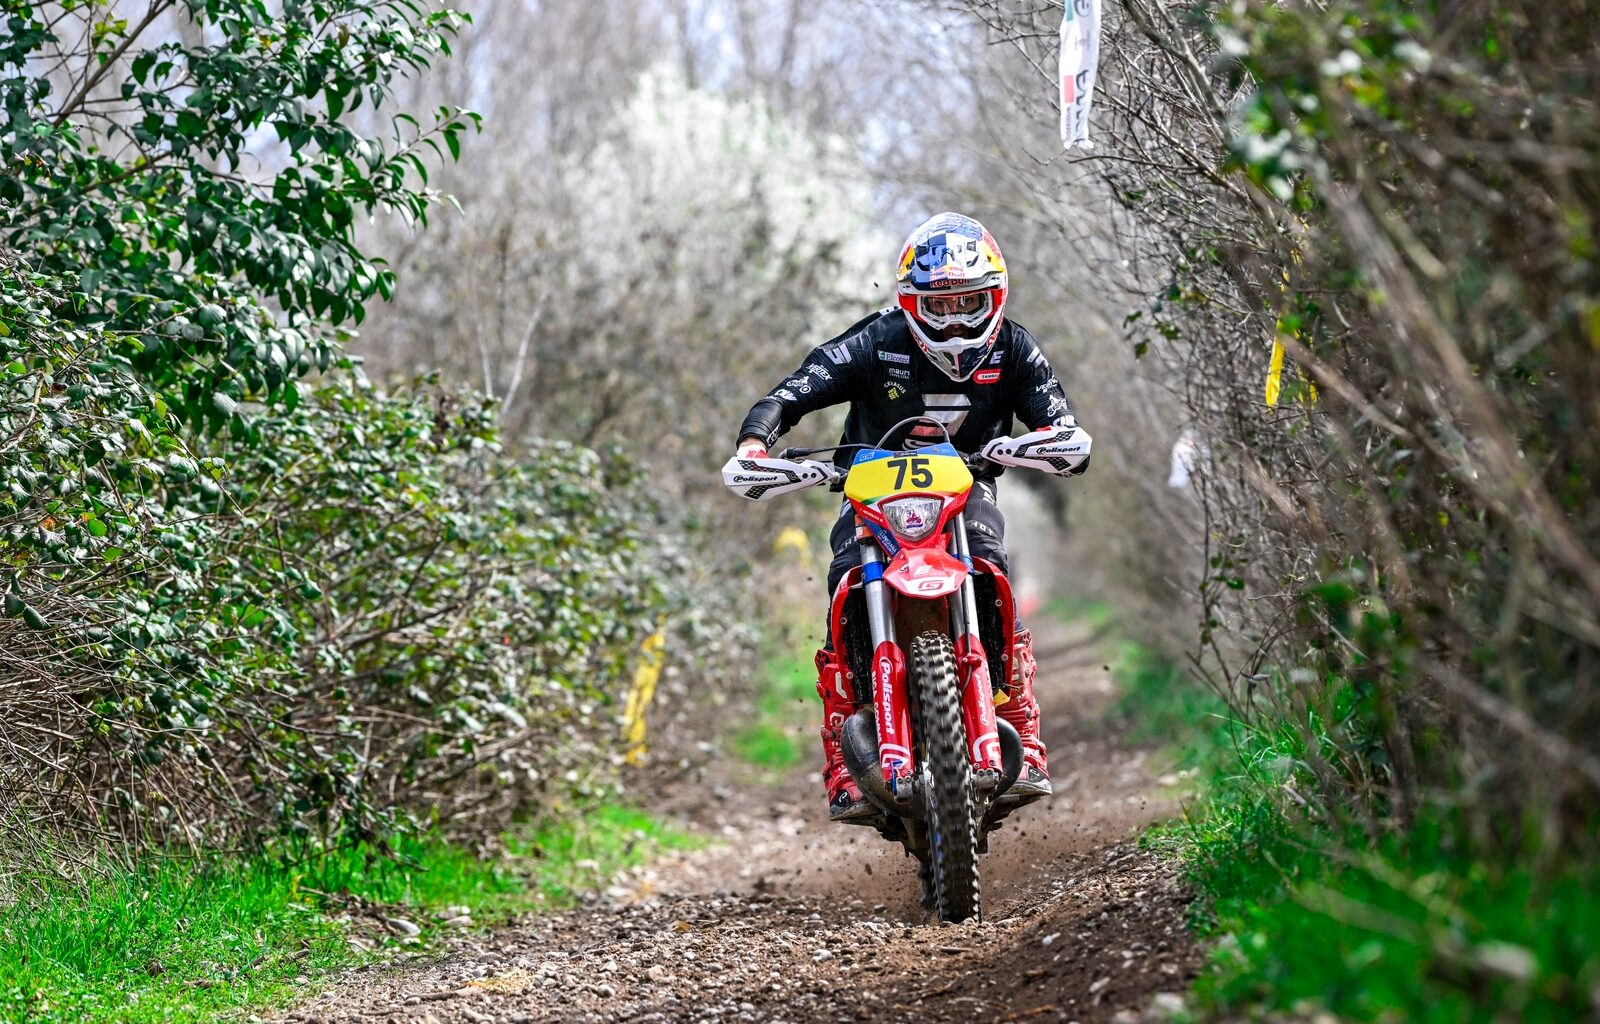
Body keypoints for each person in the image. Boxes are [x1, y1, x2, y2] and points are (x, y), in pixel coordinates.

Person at [733, 212, 1091, 821]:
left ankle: (1021, 734)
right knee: (844, 585)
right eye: (939, 306)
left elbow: (1061, 424)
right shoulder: (877, 339)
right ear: (910, 302)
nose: (955, 322)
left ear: (995, 297)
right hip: (869, 493)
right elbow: (793, 391)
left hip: (966, 488)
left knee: (991, 567)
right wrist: (755, 445)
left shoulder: (1014, 346)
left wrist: (1053, 441)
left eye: (970, 302)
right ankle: (843, 759)